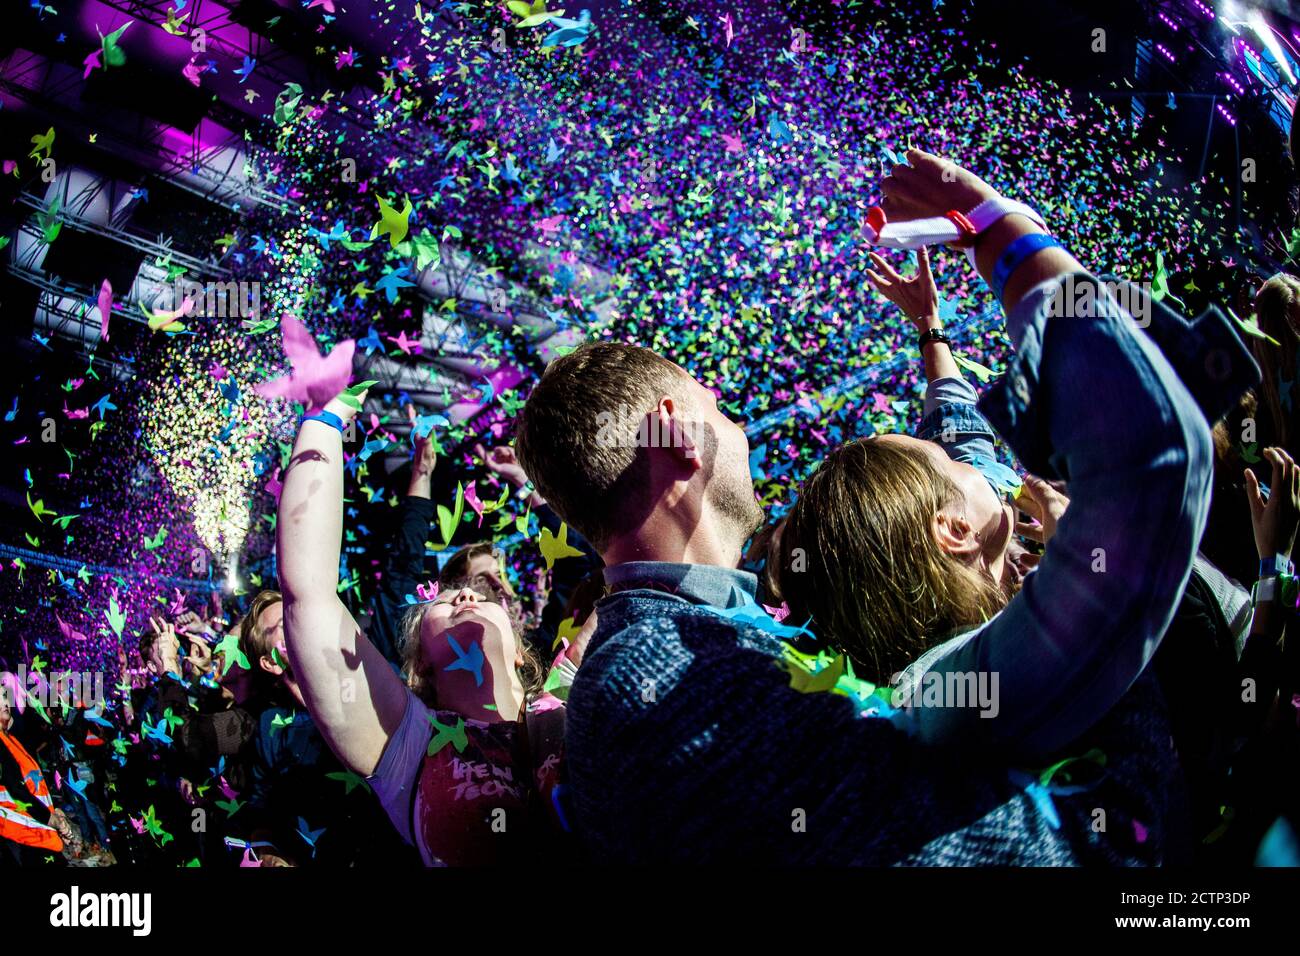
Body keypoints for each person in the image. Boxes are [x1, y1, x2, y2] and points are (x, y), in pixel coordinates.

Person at [511, 148, 1252, 863]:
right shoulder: (663, 684)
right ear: (679, 436)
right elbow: (1065, 850)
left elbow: (958, 469)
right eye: (720, 409)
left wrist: (937, 328)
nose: (740, 431)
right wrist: (1008, 235)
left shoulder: (701, 649)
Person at [278, 396, 565, 865]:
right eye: (445, 598)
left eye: (480, 597)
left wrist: (527, 482)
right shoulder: (407, 742)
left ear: (519, 649)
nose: (465, 596)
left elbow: (594, 572)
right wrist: (324, 421)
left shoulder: (570, 690)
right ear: (419, 663)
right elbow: (308, 592)